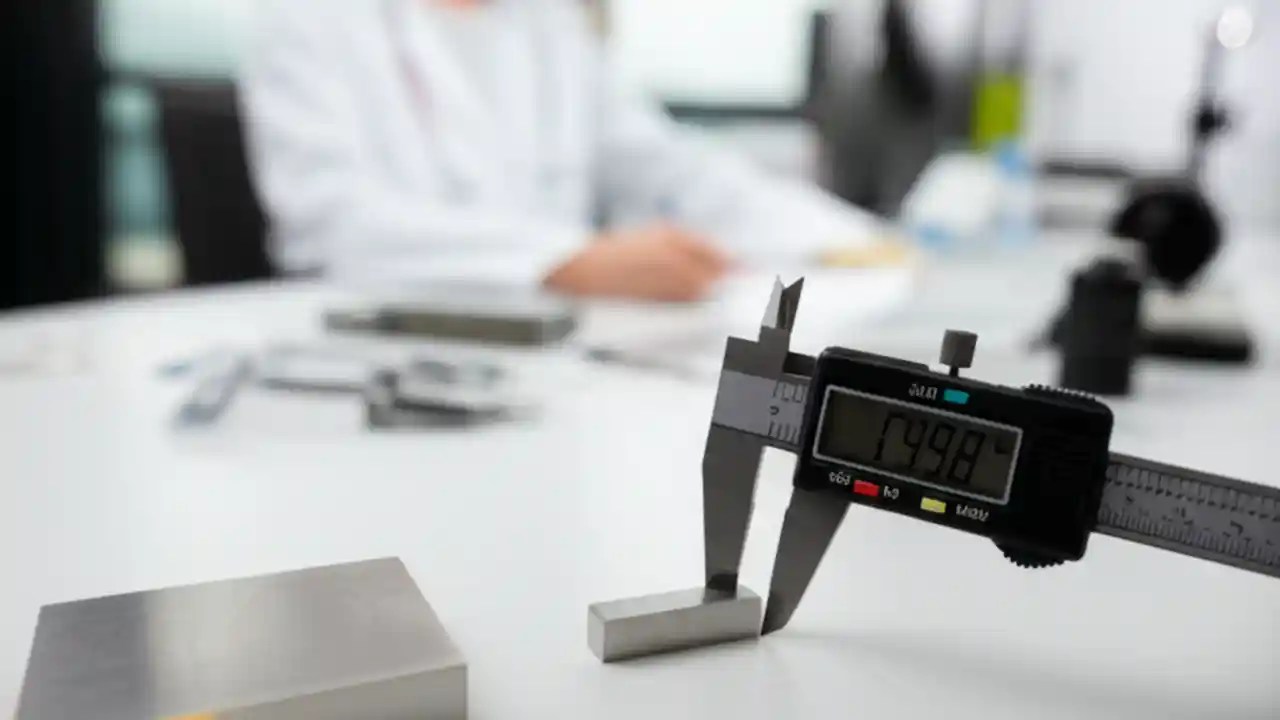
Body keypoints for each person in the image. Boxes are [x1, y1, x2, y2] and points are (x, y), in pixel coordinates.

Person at [243, 0, 888, 301]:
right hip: (367, 344)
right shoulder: (309, 19)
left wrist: (850, 238)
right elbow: (331, 225)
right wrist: (565, 260)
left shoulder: (548, 22)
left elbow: (666, 167)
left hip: (555, 352)